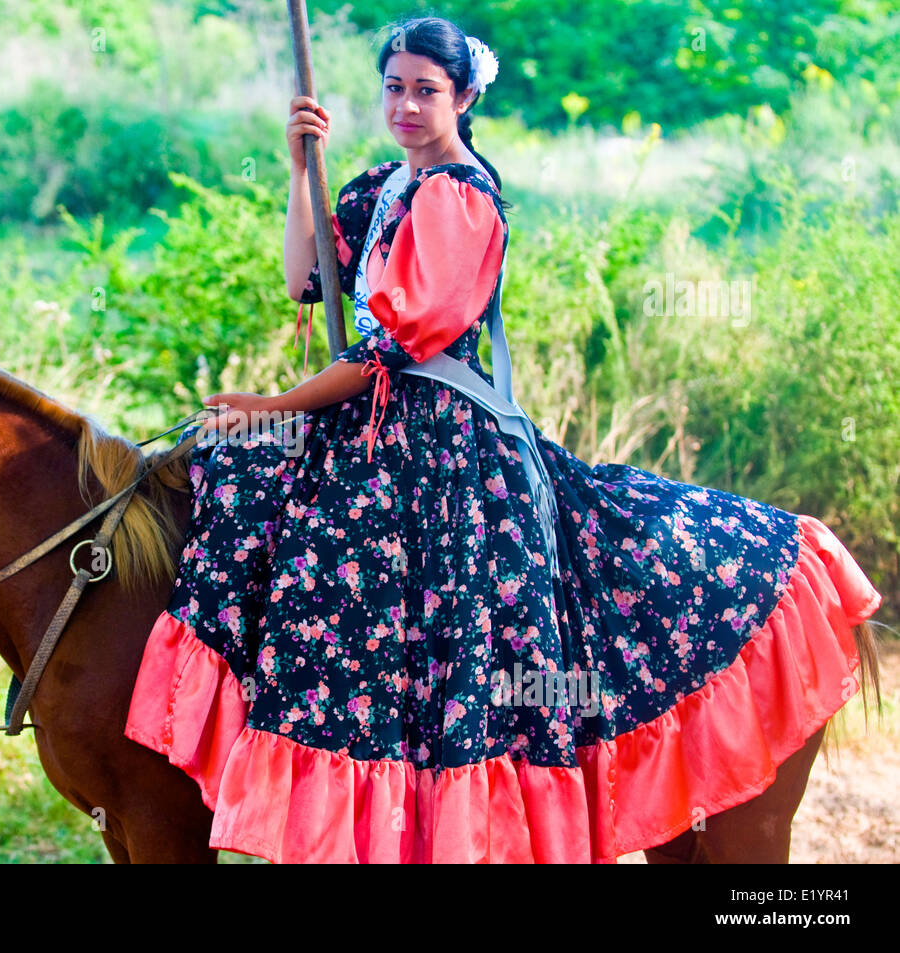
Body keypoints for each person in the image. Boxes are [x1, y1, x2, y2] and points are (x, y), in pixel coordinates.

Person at [123, 16, 883, 863]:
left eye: (426, 90)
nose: (406, 105)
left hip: (443, 442)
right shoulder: (382, 185)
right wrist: (301, 170)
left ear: (464, 97)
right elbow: (308, 278)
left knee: (416, 607)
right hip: (373, 425)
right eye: (394, 87)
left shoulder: (461, 195)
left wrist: (275, 402)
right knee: (232, 474)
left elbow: (388, 349)